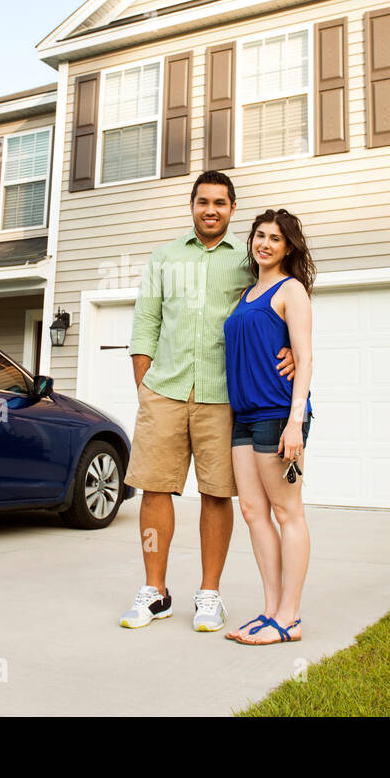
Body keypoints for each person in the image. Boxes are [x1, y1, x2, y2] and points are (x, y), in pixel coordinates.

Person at [119, 171, 294, 632]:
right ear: (191, 205)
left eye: (220, 202)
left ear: (232, 209)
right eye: (202, 202)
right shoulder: (163, 258)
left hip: (223, 395)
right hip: (166, 391)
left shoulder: (248, 258)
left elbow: (283, 297)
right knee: (155, 490)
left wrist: (294, 345)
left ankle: (209, 594)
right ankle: (155, 592)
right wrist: (146, 387)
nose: (210, 209)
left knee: (217, 493)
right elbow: (145, 326)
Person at [223, 209, 314, 645]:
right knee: (253, 512)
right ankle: (271, 610)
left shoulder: (290, 290)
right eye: (260, 235)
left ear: (288, 246)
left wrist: (296, 422)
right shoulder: (245, 293)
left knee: (286, 511)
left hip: (279, 415)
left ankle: (290, 618)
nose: (265, 243)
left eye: (275, 238)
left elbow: (305, 356)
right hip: (243, 415)